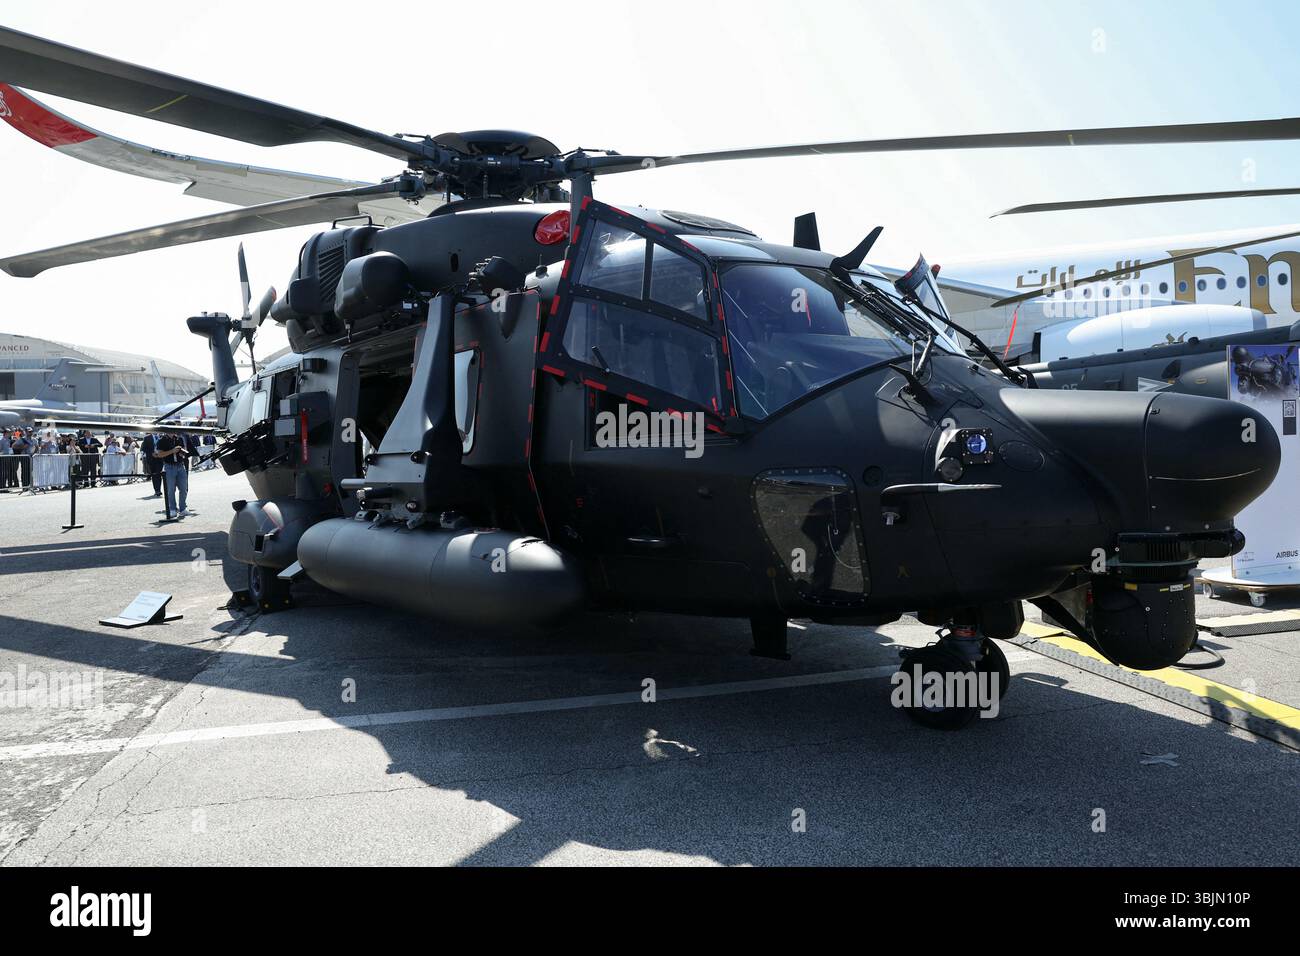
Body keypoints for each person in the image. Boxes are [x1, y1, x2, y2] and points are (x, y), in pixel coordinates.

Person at [153, 432, 192, 520]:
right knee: (171, 490)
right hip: (169, 466)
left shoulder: (179, 439)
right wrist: (172, 451)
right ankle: (173, 509)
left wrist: (183, 452)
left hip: (180, 465)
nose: (174, 431)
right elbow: (159, 454)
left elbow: (182, 452)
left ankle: (183, 508)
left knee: (184, 488)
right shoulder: (161, 440)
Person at [140, 432, 163, 497]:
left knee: (159, 474)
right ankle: (156, 490)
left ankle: (159, 489)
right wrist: (151, 453)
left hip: (160, 458)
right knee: (154, 474)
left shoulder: (161, 436)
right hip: (151, 459)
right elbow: (143, 448)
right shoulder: (147, 438)